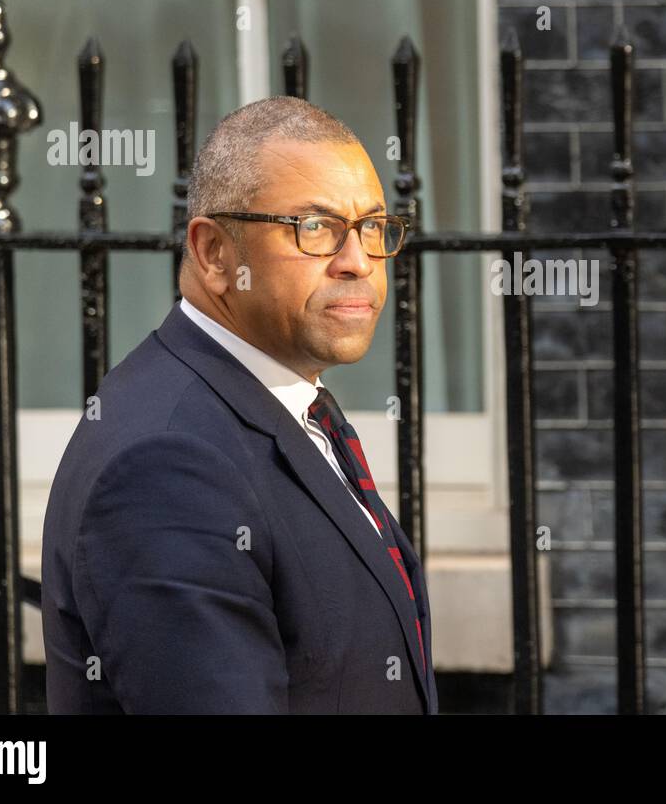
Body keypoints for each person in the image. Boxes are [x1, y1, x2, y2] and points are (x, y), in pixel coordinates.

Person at [41, 96, 435, 713]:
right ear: (215, 254)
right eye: (316, 228)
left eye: (372, 227)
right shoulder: (165, 466)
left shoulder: (280, 403)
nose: (358, 261)